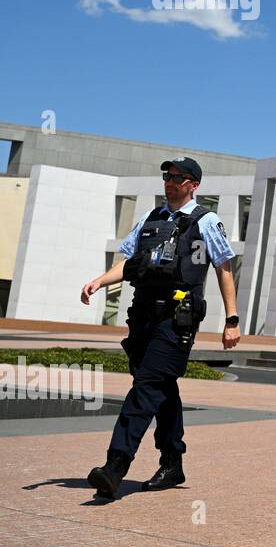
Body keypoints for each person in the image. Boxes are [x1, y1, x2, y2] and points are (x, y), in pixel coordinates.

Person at [79, 158, 240, 498]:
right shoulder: (151, 219)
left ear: (193, 185)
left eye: (178, 178)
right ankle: (172, 463)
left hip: (176, 320)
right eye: (167, 176)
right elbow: (128, 263)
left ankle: (115, 467)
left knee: (147, 386)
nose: (170, 182)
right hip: (142, 318)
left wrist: (232, 320)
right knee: (161, 388)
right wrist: (99, 281)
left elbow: (224, 268)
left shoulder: (207, 221)